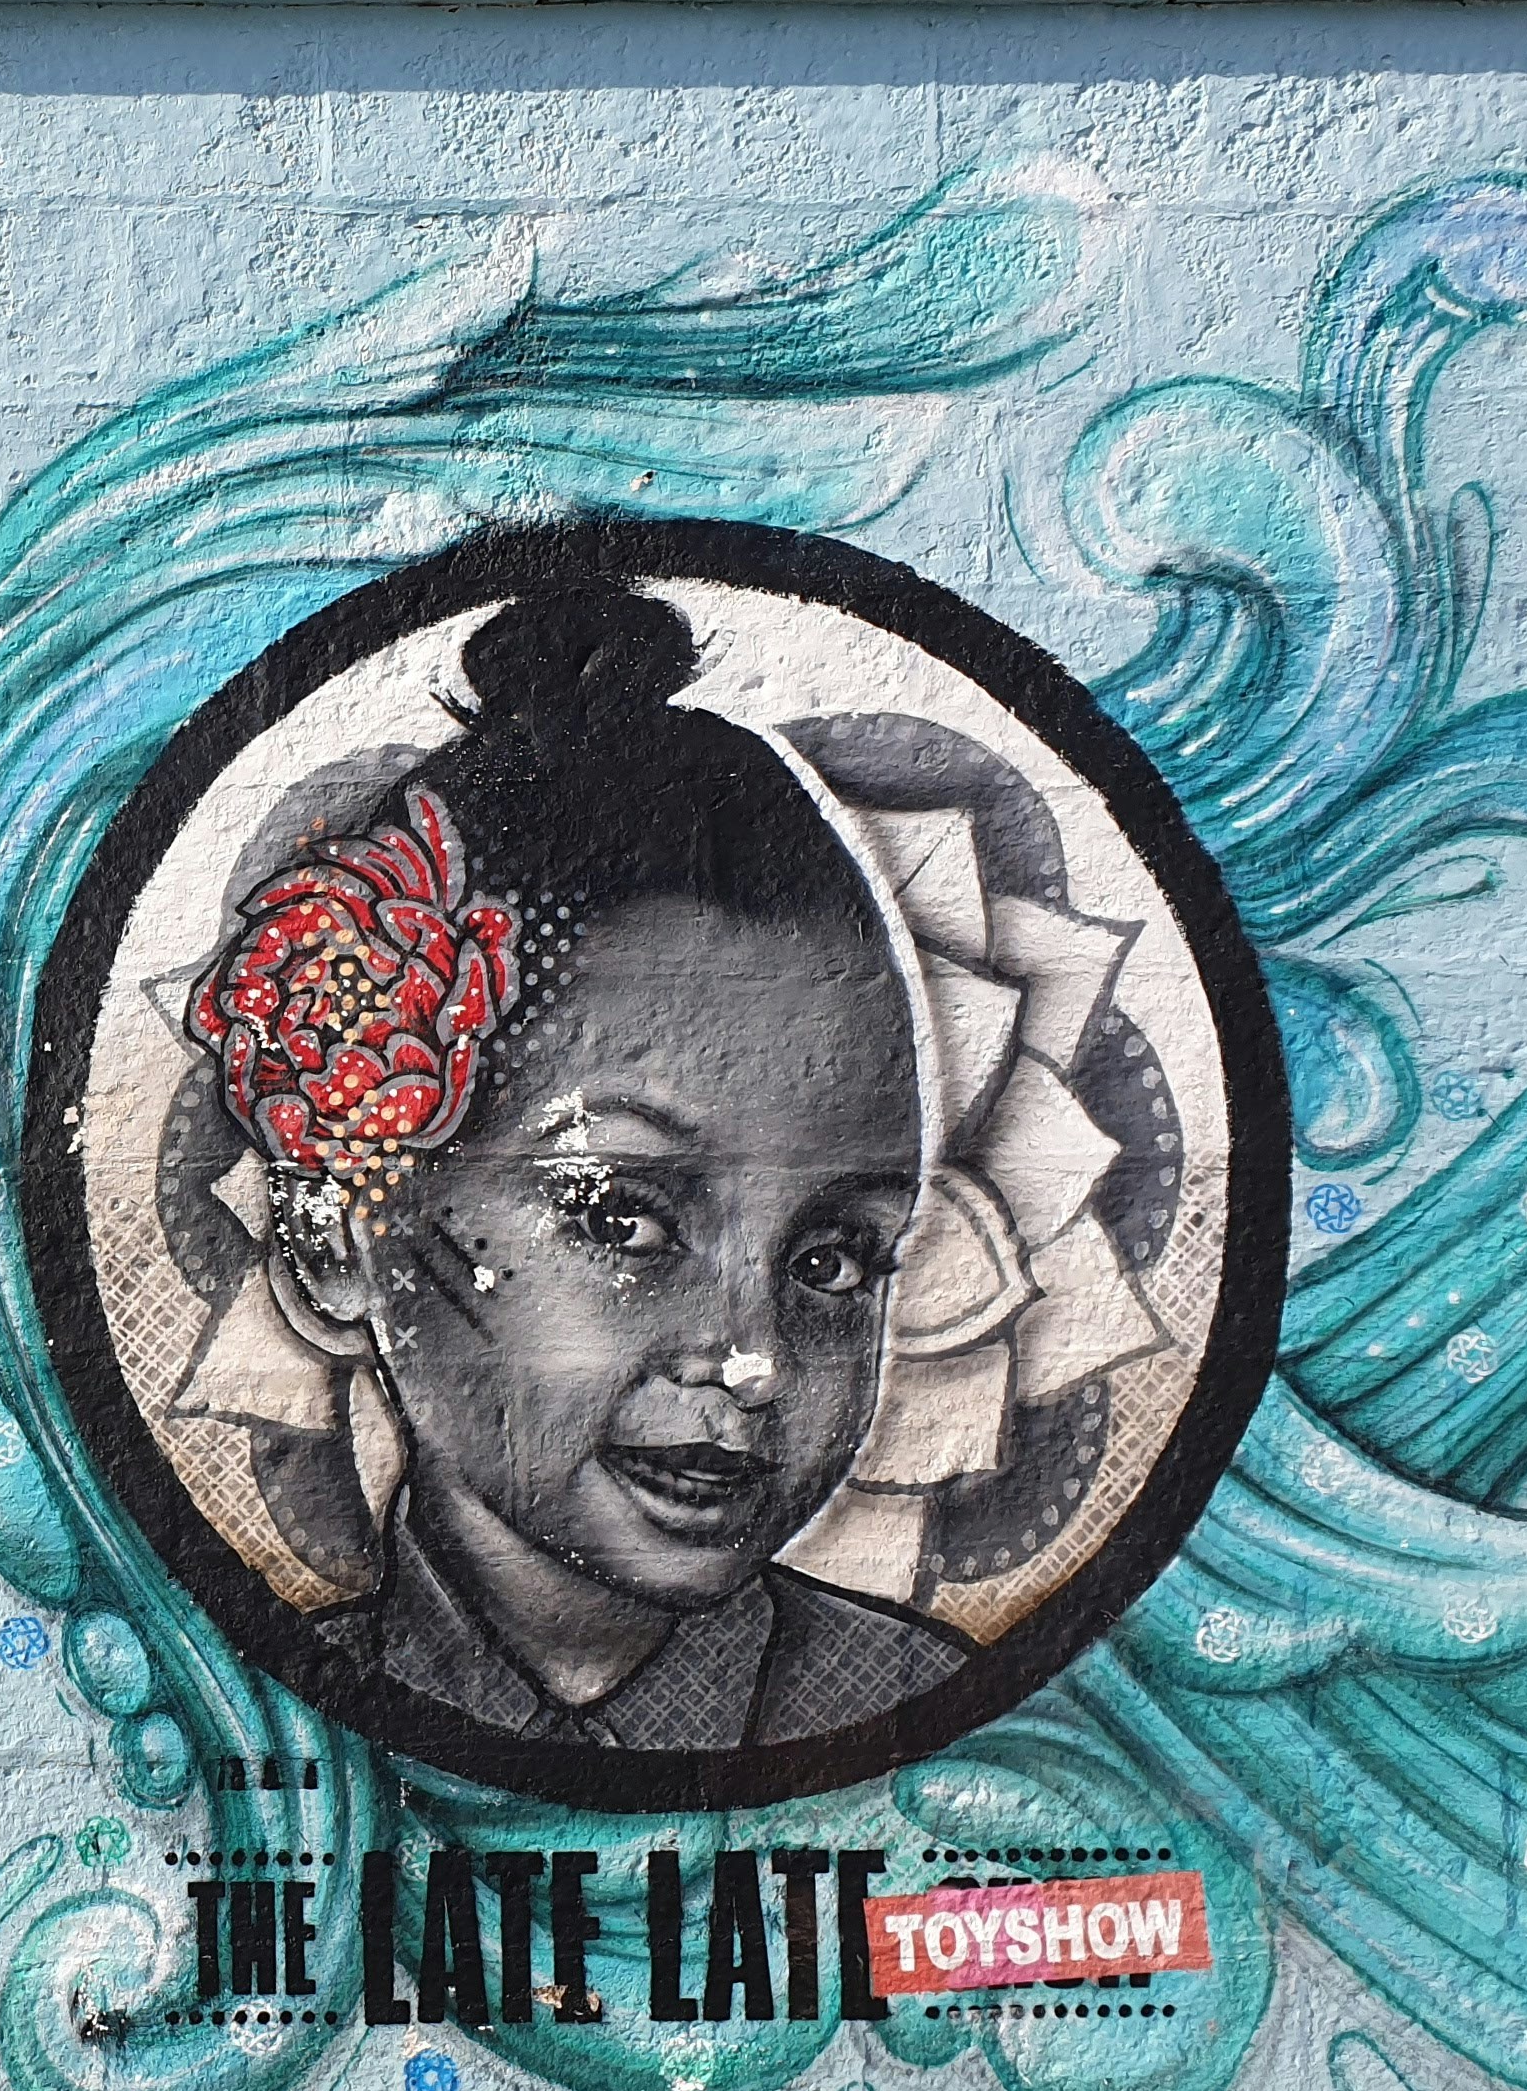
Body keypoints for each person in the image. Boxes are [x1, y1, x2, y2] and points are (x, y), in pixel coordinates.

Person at [186, 581, 967, 1752]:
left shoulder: (936, 1721)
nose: (755, 1362)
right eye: (622, 1221)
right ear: (334, 1235)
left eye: (832, 1260)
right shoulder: (241, 1729)